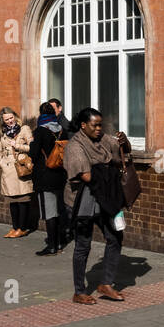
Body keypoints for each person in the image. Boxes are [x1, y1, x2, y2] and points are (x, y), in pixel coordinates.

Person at [64, 108, 131, 303]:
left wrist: (123, 142)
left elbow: (122, 151)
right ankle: (79, 291)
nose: (99, 129)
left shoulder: (102, 139)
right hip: (81, 201)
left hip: (104, 198)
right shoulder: (74, 146)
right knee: (83, 245)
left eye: (101, 125)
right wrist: (109, 171)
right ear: (83, 125)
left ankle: (106, 284)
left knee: (115, 237)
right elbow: (87, 176)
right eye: (95, 125)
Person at [30, 101, 68, 256]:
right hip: (60, 174)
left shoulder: (40, 131)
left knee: (49, 212)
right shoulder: (62, 130)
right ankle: (59, 241)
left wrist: (31, 145)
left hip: (45, 176)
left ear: (41, 114)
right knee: (58, 209)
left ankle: (52, 245)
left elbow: (33, 154)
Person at [0, 106, 36, 238]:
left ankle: (22, 228)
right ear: (3, 120)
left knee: (22, 199)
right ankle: (15, 227)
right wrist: (1, 163)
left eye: (11, 118)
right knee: (12, 200)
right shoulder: (1, 132)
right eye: (7, 119)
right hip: (8, 170)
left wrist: (17, 145)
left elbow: (32, 147)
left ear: (15, 116)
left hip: (20, 168)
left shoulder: (24, 129)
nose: (10, 121)